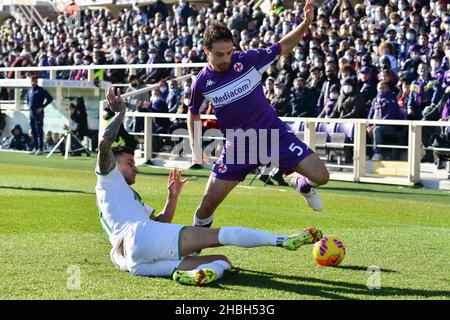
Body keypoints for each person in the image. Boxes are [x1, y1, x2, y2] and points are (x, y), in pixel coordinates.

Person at [96, 87, 324, 285]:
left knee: (223, 262)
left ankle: (202, 274)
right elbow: (104, 143)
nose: (135, 168)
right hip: (137, 237)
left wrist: (172, 197)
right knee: (218, 236)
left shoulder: (124, 196)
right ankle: (282, 241)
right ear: (113, 164)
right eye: (129, 163)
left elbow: (162, 223)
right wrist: (121, 113)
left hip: (133, 261)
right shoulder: (108, 179)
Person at [187, 1, 329, 234]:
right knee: (207, 205)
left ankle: (299, 182)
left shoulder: (249, 60)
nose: (226, 59)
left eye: (230, 52)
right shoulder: (201, 82)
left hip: (273, 136)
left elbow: (284, 45)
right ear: (206, 52)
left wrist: (306, 23)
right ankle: (194, 243)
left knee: (321, 176)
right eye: (219, 54)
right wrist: (194, 147)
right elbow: (193, 113)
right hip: (238, 147)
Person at [367, 81, 402, 161]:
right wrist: (368, 125)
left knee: (376, 130)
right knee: (361, 129)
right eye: (380, 88)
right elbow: (370, 113)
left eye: (384, 88)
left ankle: (377, 153)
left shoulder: (391, 99)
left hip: (389, 126)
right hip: (375, 125)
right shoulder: (375, 99)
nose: (381, 90)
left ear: (388, 88)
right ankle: (365, 153)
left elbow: (389, 116)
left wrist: (374, 125)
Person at [27, 76, 53, 155]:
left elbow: (50, 98)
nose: (33, 82)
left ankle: (41, 149)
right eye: (32, 81)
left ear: (37, 81)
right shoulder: (30, 90)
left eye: (34, 81)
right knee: (33, 130)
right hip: (31, 113)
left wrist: (42, 107)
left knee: (39, 130)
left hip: (38, 113)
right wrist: (28, 105)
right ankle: (36, 147)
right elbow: (28, 99)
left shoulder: (41, 90)